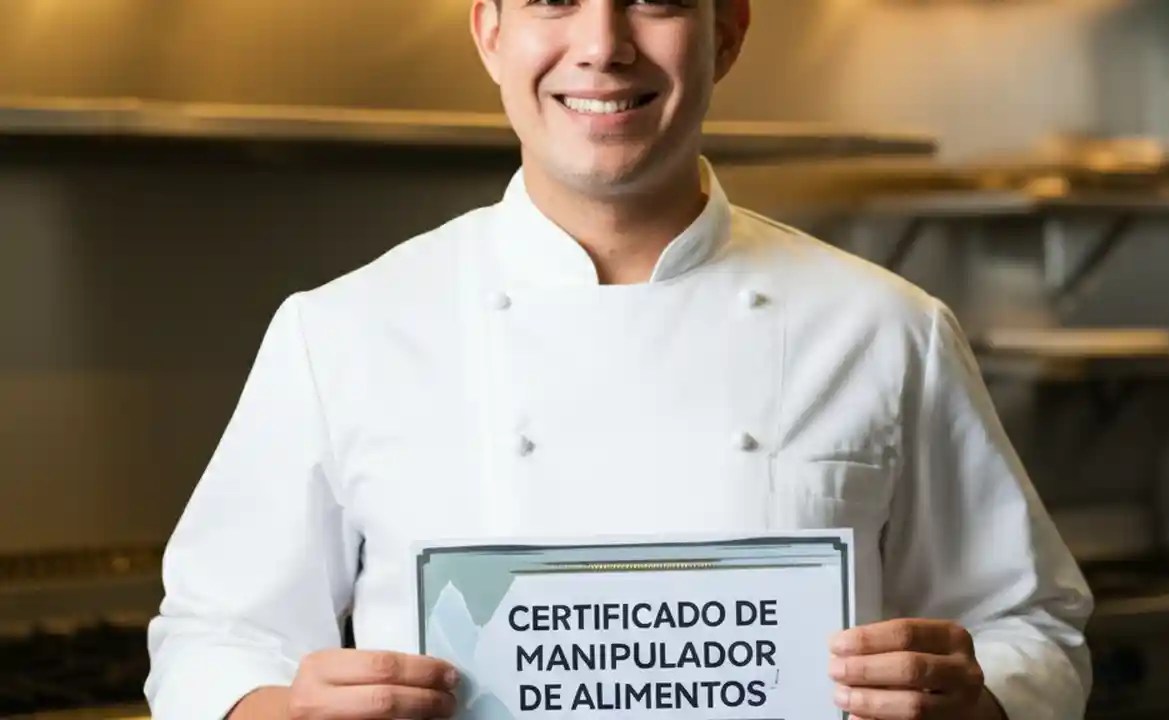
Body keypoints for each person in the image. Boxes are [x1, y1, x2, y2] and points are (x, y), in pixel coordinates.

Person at [144, 0, 1093, 718]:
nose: (604, 44)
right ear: (489, 31)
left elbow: (1033, 624)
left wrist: (981, 697)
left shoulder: (887, 328)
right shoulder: (342, 330)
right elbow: (213, 633)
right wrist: (271, 710)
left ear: (727, 32)